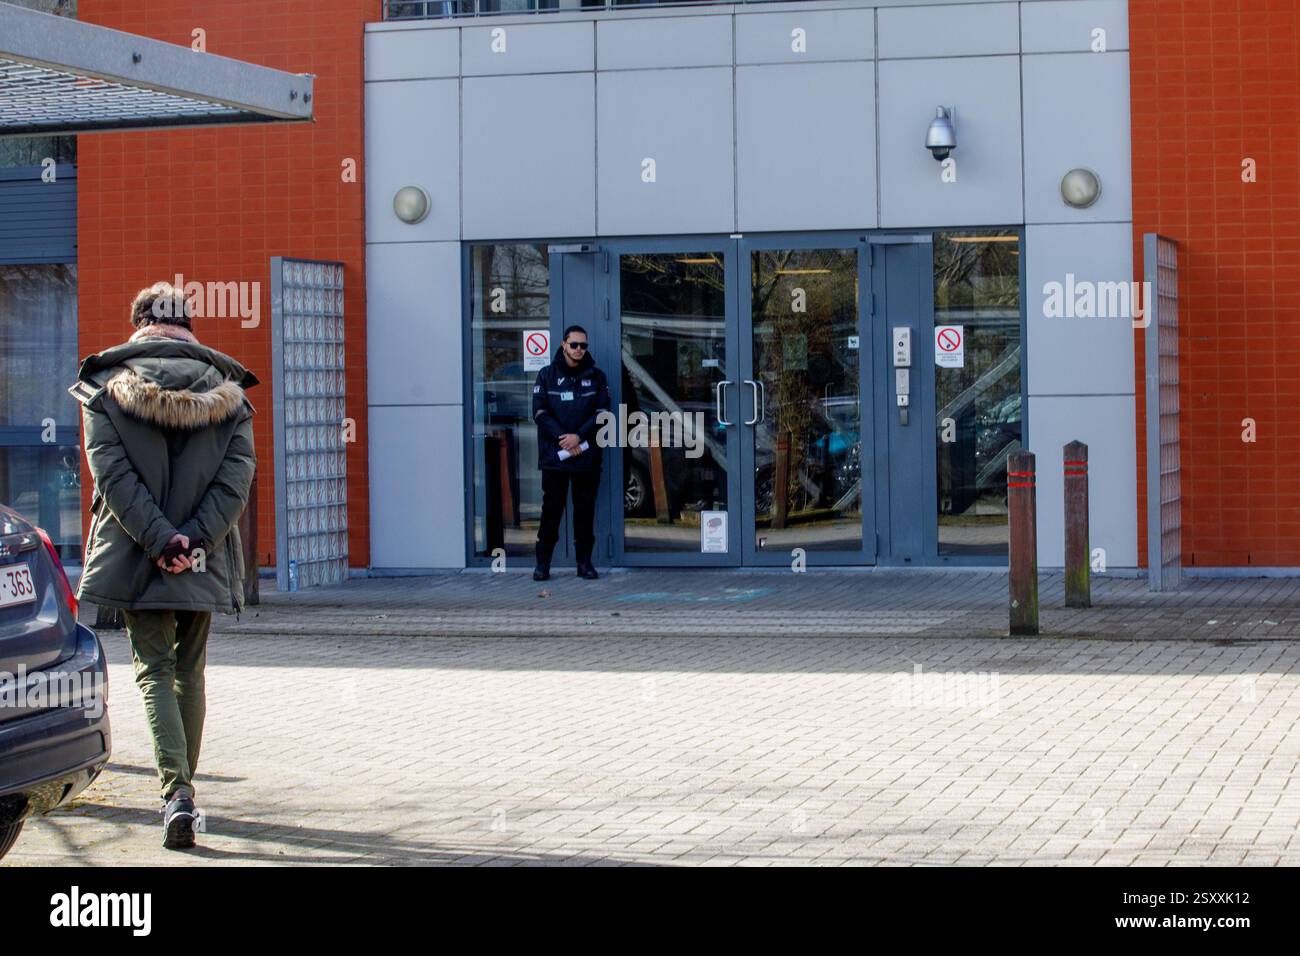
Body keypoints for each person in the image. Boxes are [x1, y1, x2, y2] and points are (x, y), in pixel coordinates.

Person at [68, 281, 257, 850]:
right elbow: (236, 480)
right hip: (204, 554)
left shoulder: (103, 390)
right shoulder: (231, 395)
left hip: (136, 551)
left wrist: (160, 540)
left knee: (153, 670)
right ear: (188, 326)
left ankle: (176, 793)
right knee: (190, 672)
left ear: (139, 324)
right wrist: (194, 540)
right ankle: (184, 791)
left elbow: (114, 478)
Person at [531, 325, 611, 581]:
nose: (579, 350)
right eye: (574, 344)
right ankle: (542, 564)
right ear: (564, 344)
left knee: (584, 511)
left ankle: (584, 563)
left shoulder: (597, 377)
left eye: (583, 345)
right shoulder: (546, 375)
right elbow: (540, 412)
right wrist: (564, 439)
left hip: (586, 458)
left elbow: (602, 413)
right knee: (551, 511)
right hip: (555, 458)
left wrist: (578, 436)